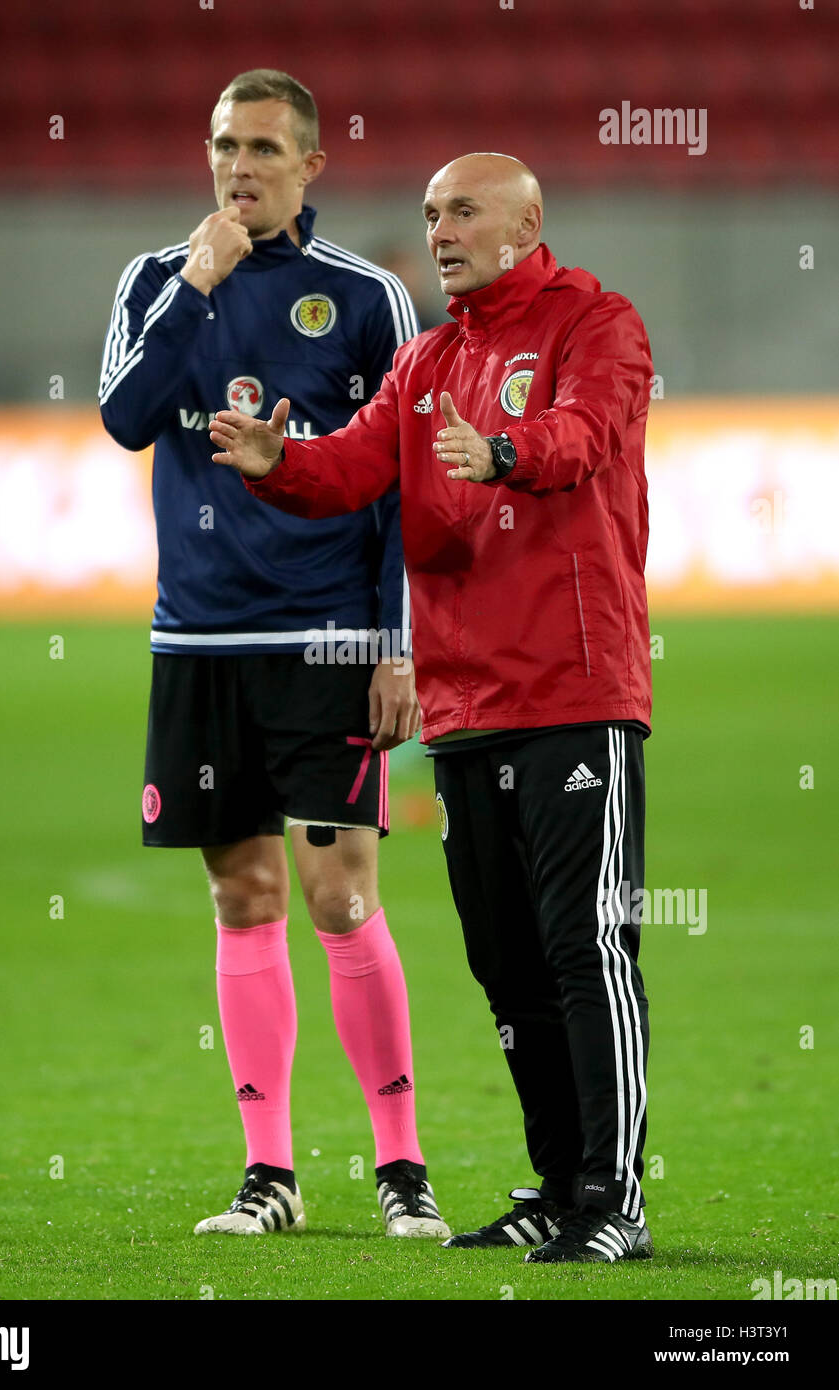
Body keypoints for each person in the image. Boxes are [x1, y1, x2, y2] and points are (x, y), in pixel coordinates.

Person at [208, 152, 656, 1264]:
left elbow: (585, 436)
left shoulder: (595, 322)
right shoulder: (423, 361)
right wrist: (276, 462)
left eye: (462, 210)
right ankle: (556, 1183)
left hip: (572, 690)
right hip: (468, 705)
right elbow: (352, 471)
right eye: (428, 213)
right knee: (505, 960)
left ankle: (616, 1197)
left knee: (585, 946)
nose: (440, 228)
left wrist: (502, 450)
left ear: (526, 220)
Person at [99, 69, 450, 1240]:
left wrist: (397, 645)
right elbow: (124, 414)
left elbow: (400, 484)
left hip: (327, 638)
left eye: (259, 148)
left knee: (340, 894)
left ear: (310, 165)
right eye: (220, 145)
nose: (236, 167)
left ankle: (400, 1166)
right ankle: (270, 1173)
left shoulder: (365, 299)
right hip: (198, 637)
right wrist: (200, 284)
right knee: (240, 894)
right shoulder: (158, 280)